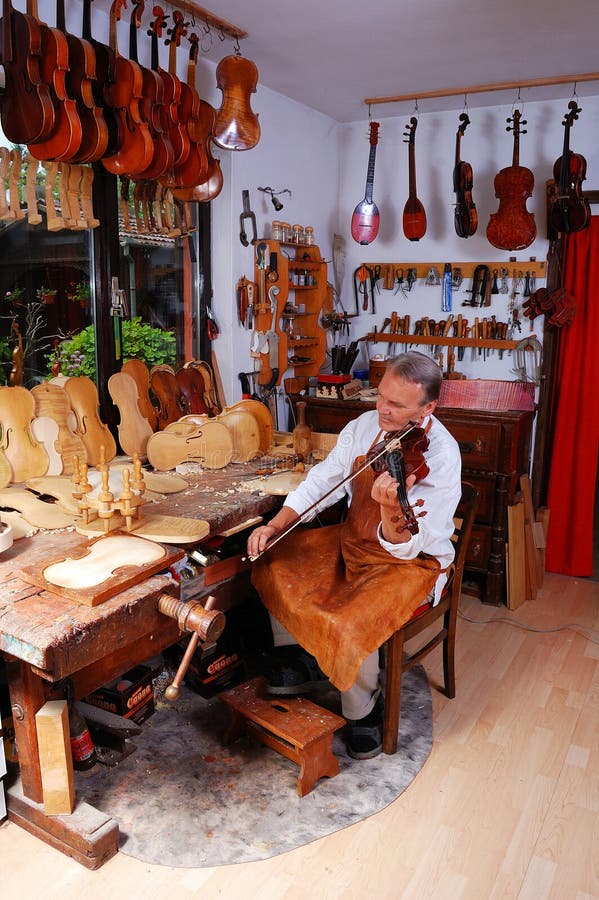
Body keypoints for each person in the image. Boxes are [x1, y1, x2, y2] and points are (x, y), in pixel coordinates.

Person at [247, 352, 462, 759]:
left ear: (428, 408)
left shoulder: (441, 456)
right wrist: (277, 524)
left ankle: (363, 710)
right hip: (354, 541)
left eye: (397, 405)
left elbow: (410, 540)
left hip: (408, 561)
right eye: (381, 396)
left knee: (353, 617)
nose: (382, 408)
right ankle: (307, 655)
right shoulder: (365, 425)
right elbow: (322, 479)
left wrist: (390, 508)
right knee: (276, 560)